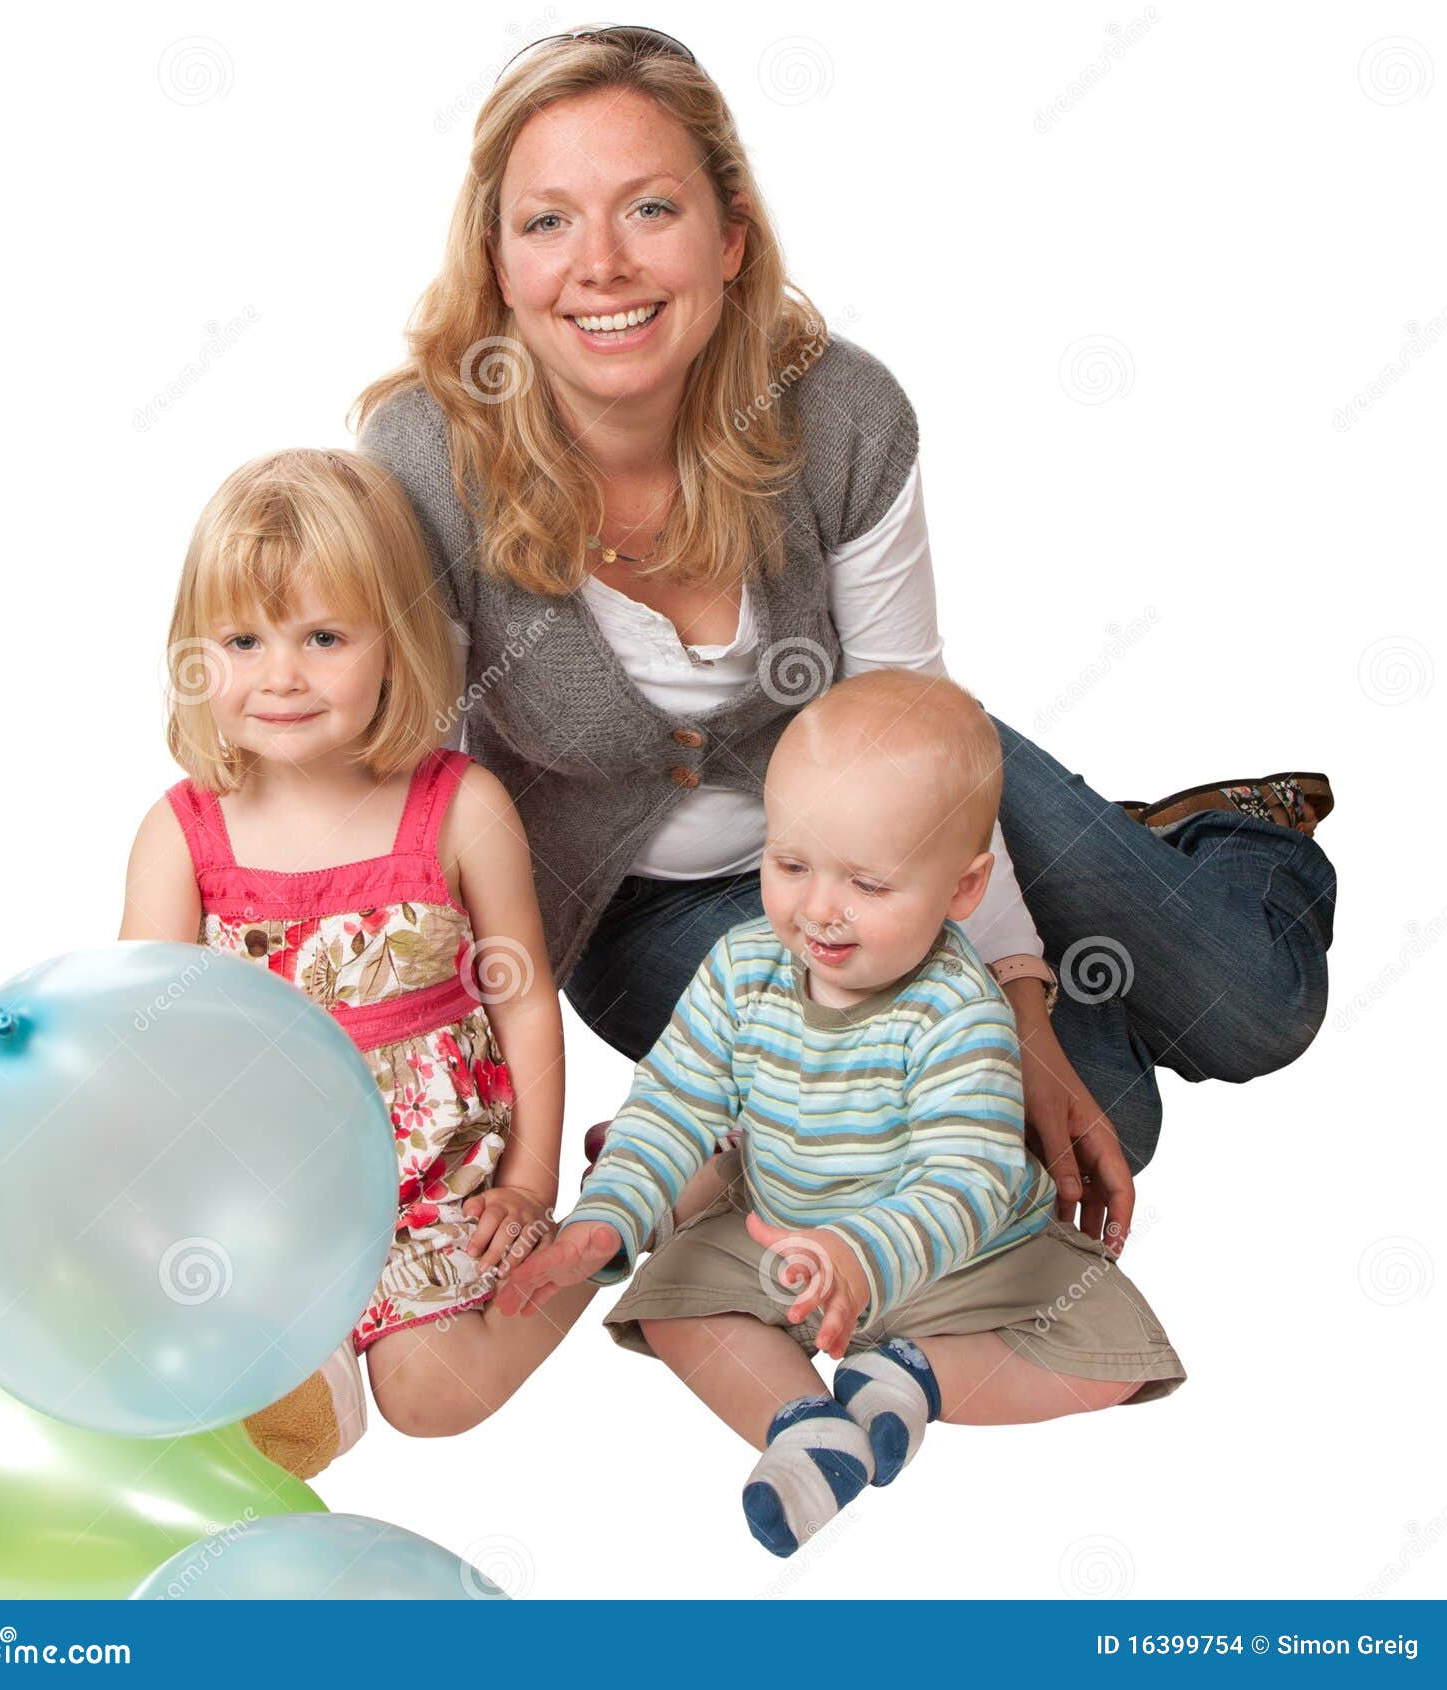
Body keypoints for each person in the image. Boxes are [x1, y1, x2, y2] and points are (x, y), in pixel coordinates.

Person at [353, 26, 1337, 1253]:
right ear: (498, 261)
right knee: (1095, 1124)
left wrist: (1021, 997)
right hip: (647, 912)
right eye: (547, 221)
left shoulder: (836, 412)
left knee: (1253, 1006)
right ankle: (1097, 906)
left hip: (908, 780)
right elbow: (411, 805)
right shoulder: (424, 458)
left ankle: (1218, 840)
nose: (599, 264)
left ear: (729, 238)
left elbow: (911, 704)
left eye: (649, 209)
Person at [497, 671, 1185, 1557]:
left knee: (1103, 1350)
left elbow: (965, 1182)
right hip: (782, 1229)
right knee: (667, 1303)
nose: (820, 909)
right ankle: (806, 1429)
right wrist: (607, 1217)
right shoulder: (742, 968)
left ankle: (914, 1376)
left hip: (952, 1253)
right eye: (790, 866)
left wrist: (861, 1256)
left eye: (868, 883)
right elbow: (672, 1103)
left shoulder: (957, 1010)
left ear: (964, 889)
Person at [117, 446, 599, 1476]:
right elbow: (142, 1042)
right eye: (242, 640)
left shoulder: (458, 808)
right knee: (189, 1354)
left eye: (324, 637)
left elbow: (523, 1003)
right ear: (196, 656)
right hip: (261, 1195)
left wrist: (530, 1181)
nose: (280, 675)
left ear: (397, 643)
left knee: (430, 1395)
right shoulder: (183, 834)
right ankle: (301, 1365)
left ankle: (597, 1250)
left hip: (435, 1180)